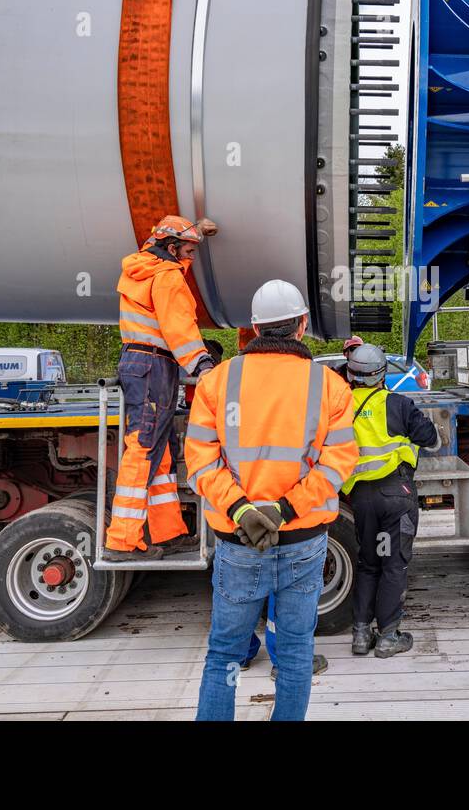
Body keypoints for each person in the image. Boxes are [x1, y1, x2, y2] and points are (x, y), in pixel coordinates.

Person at [187, 279, 357, 721]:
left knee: (224, 653)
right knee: (297, 652)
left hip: (239, 541)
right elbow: (337, 466)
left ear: (255, 328)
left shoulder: (216, 382)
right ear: (302, 326)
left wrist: (243, 510)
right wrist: (283, 510)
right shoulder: (330, 385)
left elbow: (201, 463)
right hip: (303, 539)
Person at [103, 215, 219, 561]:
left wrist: (196, 230)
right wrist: (201, 362)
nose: (192, 257)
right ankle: (122, 542)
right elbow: (178, 325)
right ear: (171, 248)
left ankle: (167, 533)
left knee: (159, 450)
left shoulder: (144, 268)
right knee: (143, 447)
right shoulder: (167, 278)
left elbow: (165, 243)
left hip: (145, 362)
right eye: (188, 249)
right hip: (155, 363)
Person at [342, 344, 440, 658]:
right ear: (382, 374)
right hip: (396, 496)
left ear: (350, 375)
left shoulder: (339, 408)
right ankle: (387, 637)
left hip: (361, 498)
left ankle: (360, 635)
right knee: (393, 566)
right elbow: (432, 440)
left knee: (368, 565)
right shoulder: (398, 405)